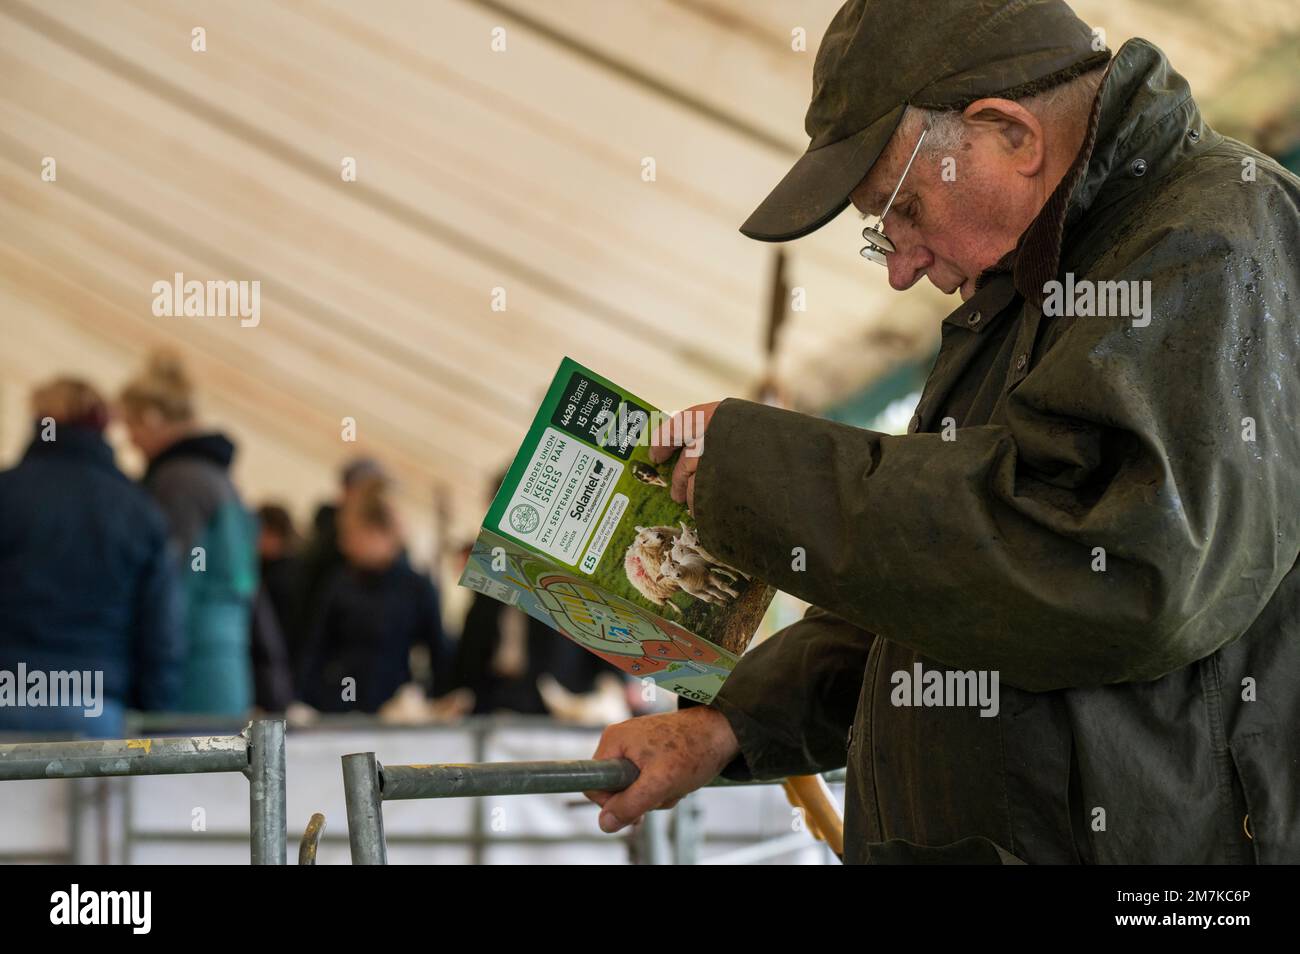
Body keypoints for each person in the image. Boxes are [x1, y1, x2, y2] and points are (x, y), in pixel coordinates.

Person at [585, 0, 1300, 864]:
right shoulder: (1028, 292)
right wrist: (731, 725)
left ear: (1010, 134)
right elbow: (941, 585)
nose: (898, 266)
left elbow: (1115, 568)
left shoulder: (1212, 245)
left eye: (903, 209)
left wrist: (764, 472)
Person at [0, 377, 181, 738]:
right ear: (104, 426)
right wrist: (156, 713)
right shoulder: (138, 509)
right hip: (96, 699)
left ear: (40, 421)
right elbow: (161, 629)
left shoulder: (7, 493)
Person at [120, 351, 258, 716]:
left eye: (131, 425)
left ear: (152, 419)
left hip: (190, 666)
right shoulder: (218, 478)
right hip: (225, 660)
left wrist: (150, 677)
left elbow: (171, 582)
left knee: (180, 765)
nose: (129, 439)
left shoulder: (175, 483)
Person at [298, 479, 448, 713]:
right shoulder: (340, 582)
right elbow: (316, 648)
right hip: (339, 706)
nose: (344, 545)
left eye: (352, 536)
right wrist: (308, 699)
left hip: (393, 710)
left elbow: (439, 652)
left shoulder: (415, 586)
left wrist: (431, 701)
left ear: (379, 533)